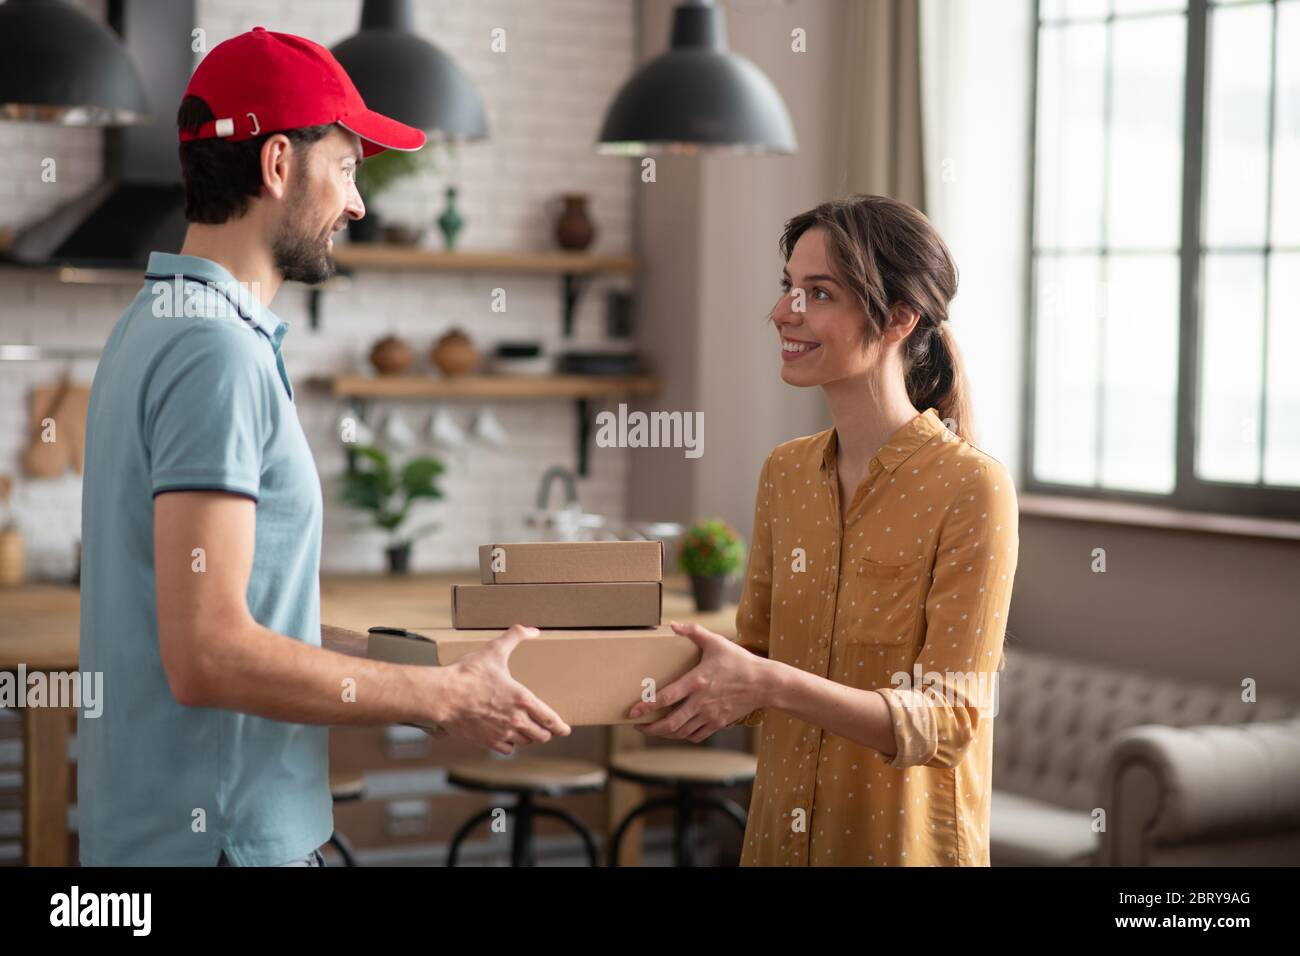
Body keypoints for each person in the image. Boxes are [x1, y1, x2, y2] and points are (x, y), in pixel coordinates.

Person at [78, 27, 568, 867]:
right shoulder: (214, 354)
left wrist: (418, 663)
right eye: (345, 167)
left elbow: (248, 621)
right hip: (225, 843)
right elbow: (209, 655)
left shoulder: (157, 325)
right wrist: (441, 698)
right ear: (277, 166)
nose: (357, 203)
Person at [630, 195, 1019, 866]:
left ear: (899, 318)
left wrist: (770, 684)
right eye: (788, 287)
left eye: (819, 293)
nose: (785, 312)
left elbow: (949, 720)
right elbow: (752, 657)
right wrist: (593, 664)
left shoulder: (971, 488)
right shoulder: (786, 474)